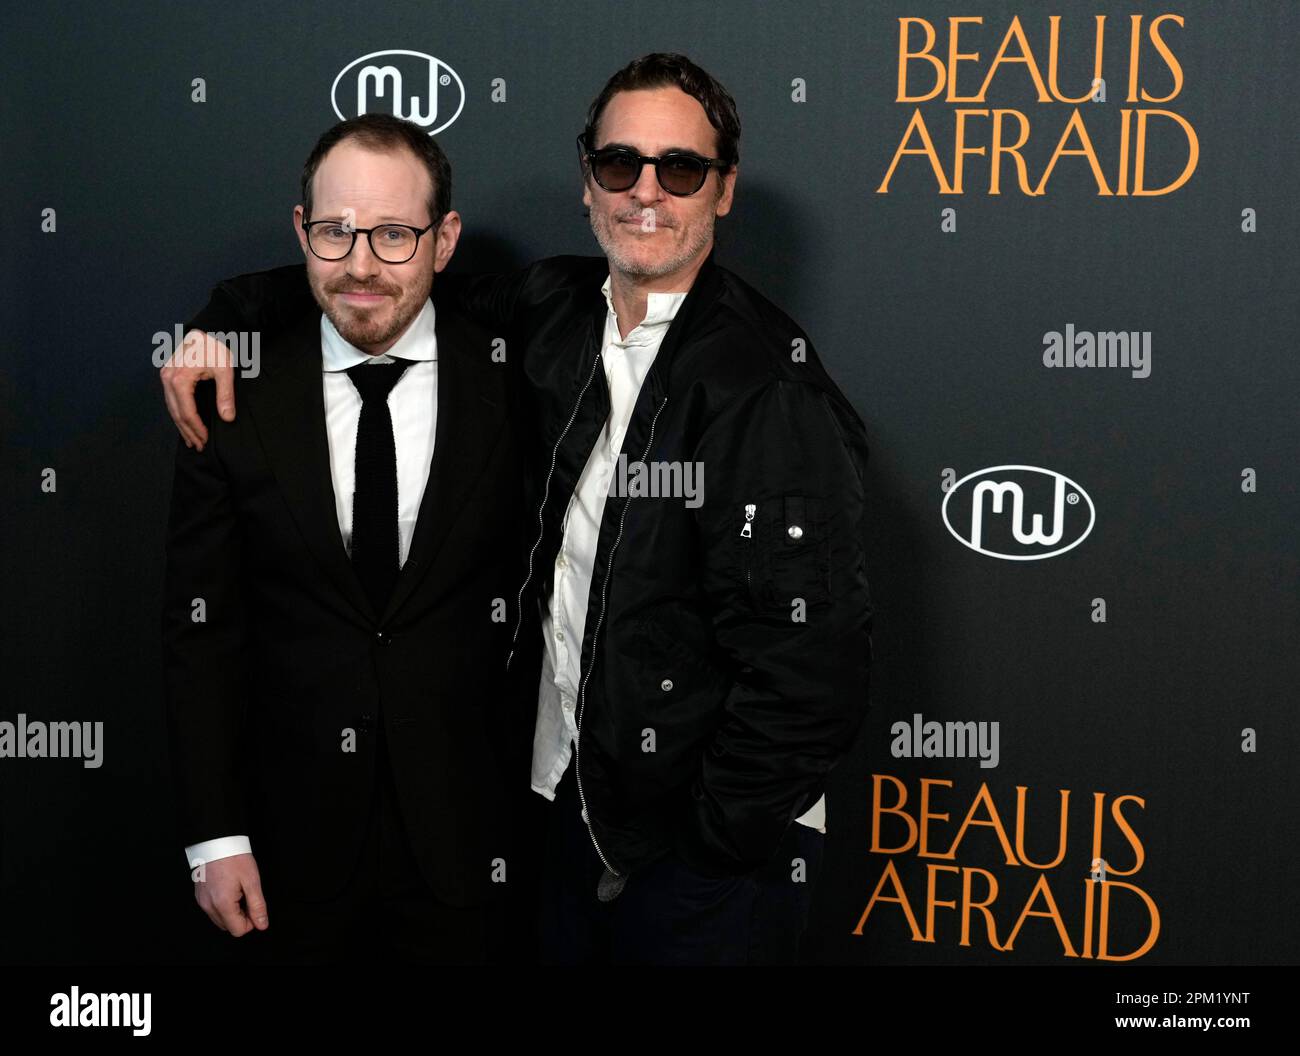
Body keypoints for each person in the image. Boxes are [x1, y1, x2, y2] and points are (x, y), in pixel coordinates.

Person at [162, 53, 873, 965]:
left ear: (723, 190)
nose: (645, 192)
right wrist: (228, 313)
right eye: (621, 165)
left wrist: (707, 843)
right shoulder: (551, 314)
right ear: (589, 182)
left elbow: (811, 672)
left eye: (681, 169)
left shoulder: (772, 392)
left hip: (700, 862)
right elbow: (381, 281)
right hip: (566, 821)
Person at [162, 113, 530, 964]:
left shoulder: (519, 378)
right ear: (303, 231)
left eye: (395, 235)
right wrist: (215, 839)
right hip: (285, 853)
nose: (362, 264)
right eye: (336, 232)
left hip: (478, 852)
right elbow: (201, 631)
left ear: (446, 241)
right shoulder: (231, 391)